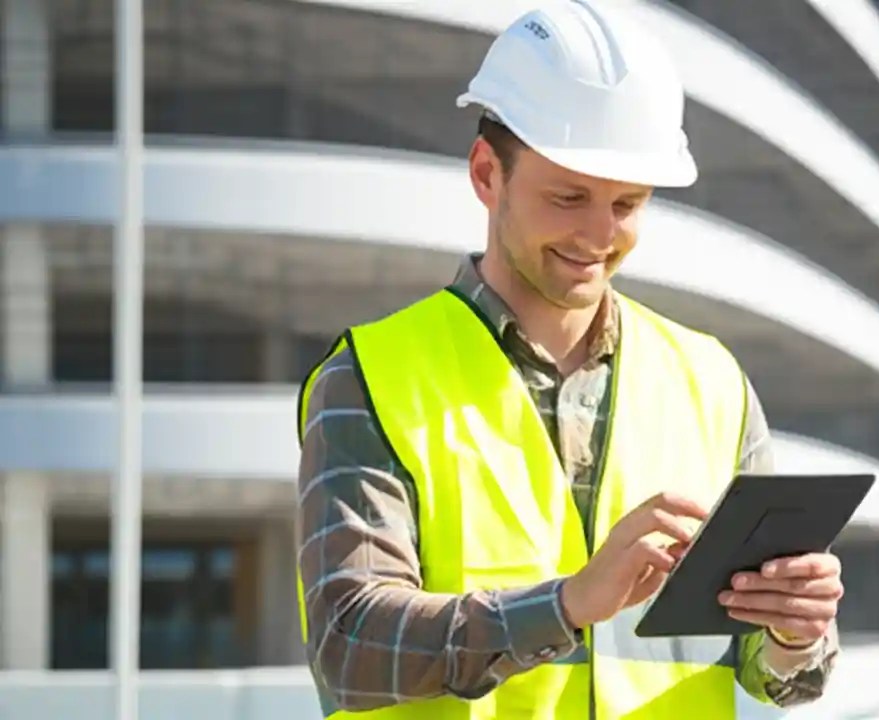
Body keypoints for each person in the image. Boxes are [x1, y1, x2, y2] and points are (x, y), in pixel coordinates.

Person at [294, 1, 842, 717]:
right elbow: (350, 645)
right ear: (487, 174)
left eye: (627, 204)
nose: (598, 235)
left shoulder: (713, 384)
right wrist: (567, 605)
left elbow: (774, 674)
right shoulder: (370, 376)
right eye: (568, 196)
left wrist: (793, 634)